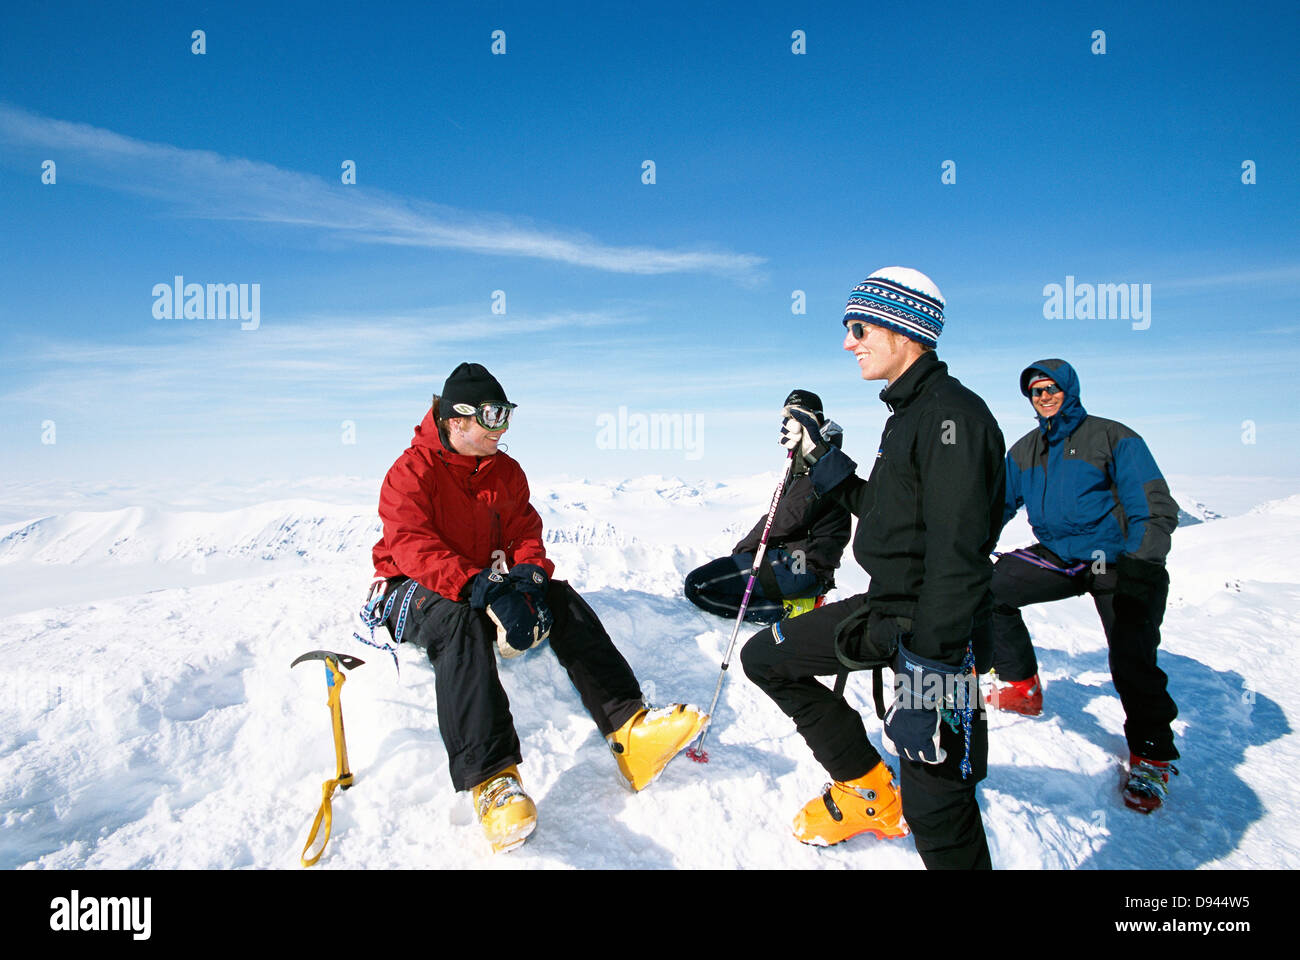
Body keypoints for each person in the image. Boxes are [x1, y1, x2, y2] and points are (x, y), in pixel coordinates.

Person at [364, 362, 707, 853]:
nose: (502, 429)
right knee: (459, 622)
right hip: (411, 586)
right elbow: (413, 547)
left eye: (507, 416)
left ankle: (629, 728)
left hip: (484, 577)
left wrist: (528, 577)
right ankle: (492, 782)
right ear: (456, 419)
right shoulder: (411, 472)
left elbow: (525, 530)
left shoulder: (506, 469)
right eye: (492, 416)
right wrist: (481, 588)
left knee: (559, 596)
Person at [741, 267, 1005, 869]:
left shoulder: (953, 418)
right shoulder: (907, 414)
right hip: (887, 607)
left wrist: (930, 678)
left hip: (938, 631)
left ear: (903, 330)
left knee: (940, 807)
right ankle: (865, 784)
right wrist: (821, 460)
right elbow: (881, 510)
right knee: (767, 658)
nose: (847, 342)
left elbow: (959, 558)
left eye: (858, 327)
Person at [988, 359, 1181, 813]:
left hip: (1118, 561)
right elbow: (996, 505)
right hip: (1062, 557)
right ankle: (1022, 686)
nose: (1045, 396)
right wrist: (968, 550)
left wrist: (1143, 563)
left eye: (1052, 387)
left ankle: (1152, 754)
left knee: (1132, 655)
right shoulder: (1026, 450)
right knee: (990, 589)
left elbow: (1152, 505)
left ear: (1069, 389)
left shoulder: (1113, 437)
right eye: (1036, 391)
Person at [683, 390, 852, 624]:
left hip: (800, 565)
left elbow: (785, 518)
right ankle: (793, 601)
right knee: (714, 579)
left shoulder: (822, 468)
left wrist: (744, 550)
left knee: (698, 586)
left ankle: (785, 610)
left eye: (796, 417)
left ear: (814, 421)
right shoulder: (808, 463)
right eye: (786, 418)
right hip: (797, 559)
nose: (788, 424)